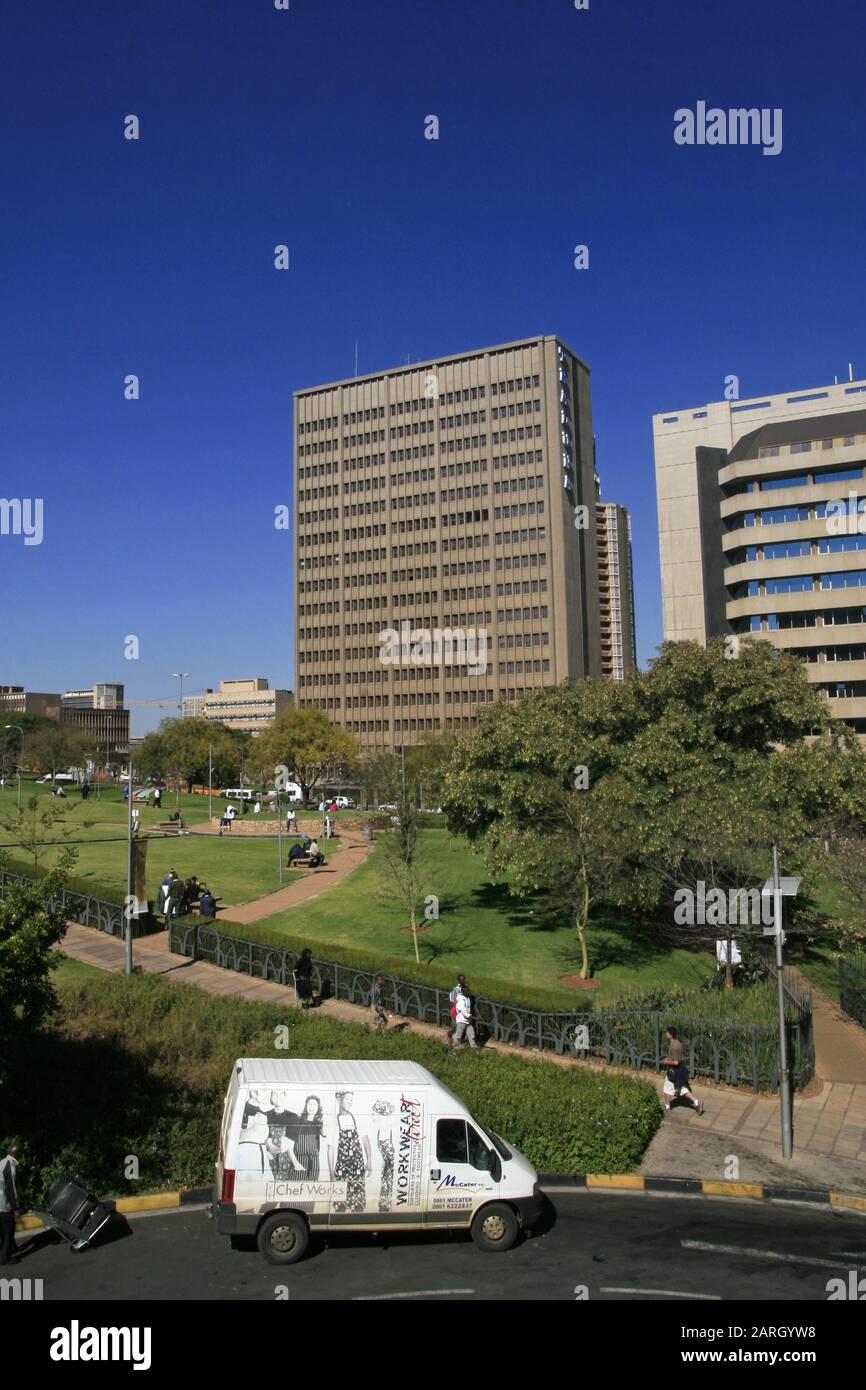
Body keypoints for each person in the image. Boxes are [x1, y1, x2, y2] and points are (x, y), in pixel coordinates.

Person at [330, 1092, 371, 1213]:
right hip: (341, 1167)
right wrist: (330, 1171)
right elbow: (330, 1148)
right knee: (340, 1202)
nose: (350, 1101)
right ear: (340, 1099)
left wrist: (369, 1161)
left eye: (351, 1099)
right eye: (347, 1098)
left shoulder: (357, 1118)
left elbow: (365, 1140)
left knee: (357, 1203)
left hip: (357, 1166)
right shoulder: (334, 1121)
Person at [661, 1026, 704, 1115]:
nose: (666, 1034)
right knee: (681, 1089)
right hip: (679, 1070)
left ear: (671, 1035)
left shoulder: (674, 1046)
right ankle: (696, 1102)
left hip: (674, 1071)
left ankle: (667, 1107)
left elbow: (676, 1062)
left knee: (667, 1089)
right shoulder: (677, 1043)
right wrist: (668, 1059)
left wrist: (666, 1062)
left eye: (667, 1033)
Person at [0, 1142, 22, 1265]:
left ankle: (9, 1249)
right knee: (9, 1230)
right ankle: (5, 1258)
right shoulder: (11, 1168)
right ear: (17, 1154)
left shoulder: (2, 1162)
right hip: (3, 1204)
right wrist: (16, 1208)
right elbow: (11, 1190)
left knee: (3, 1231)